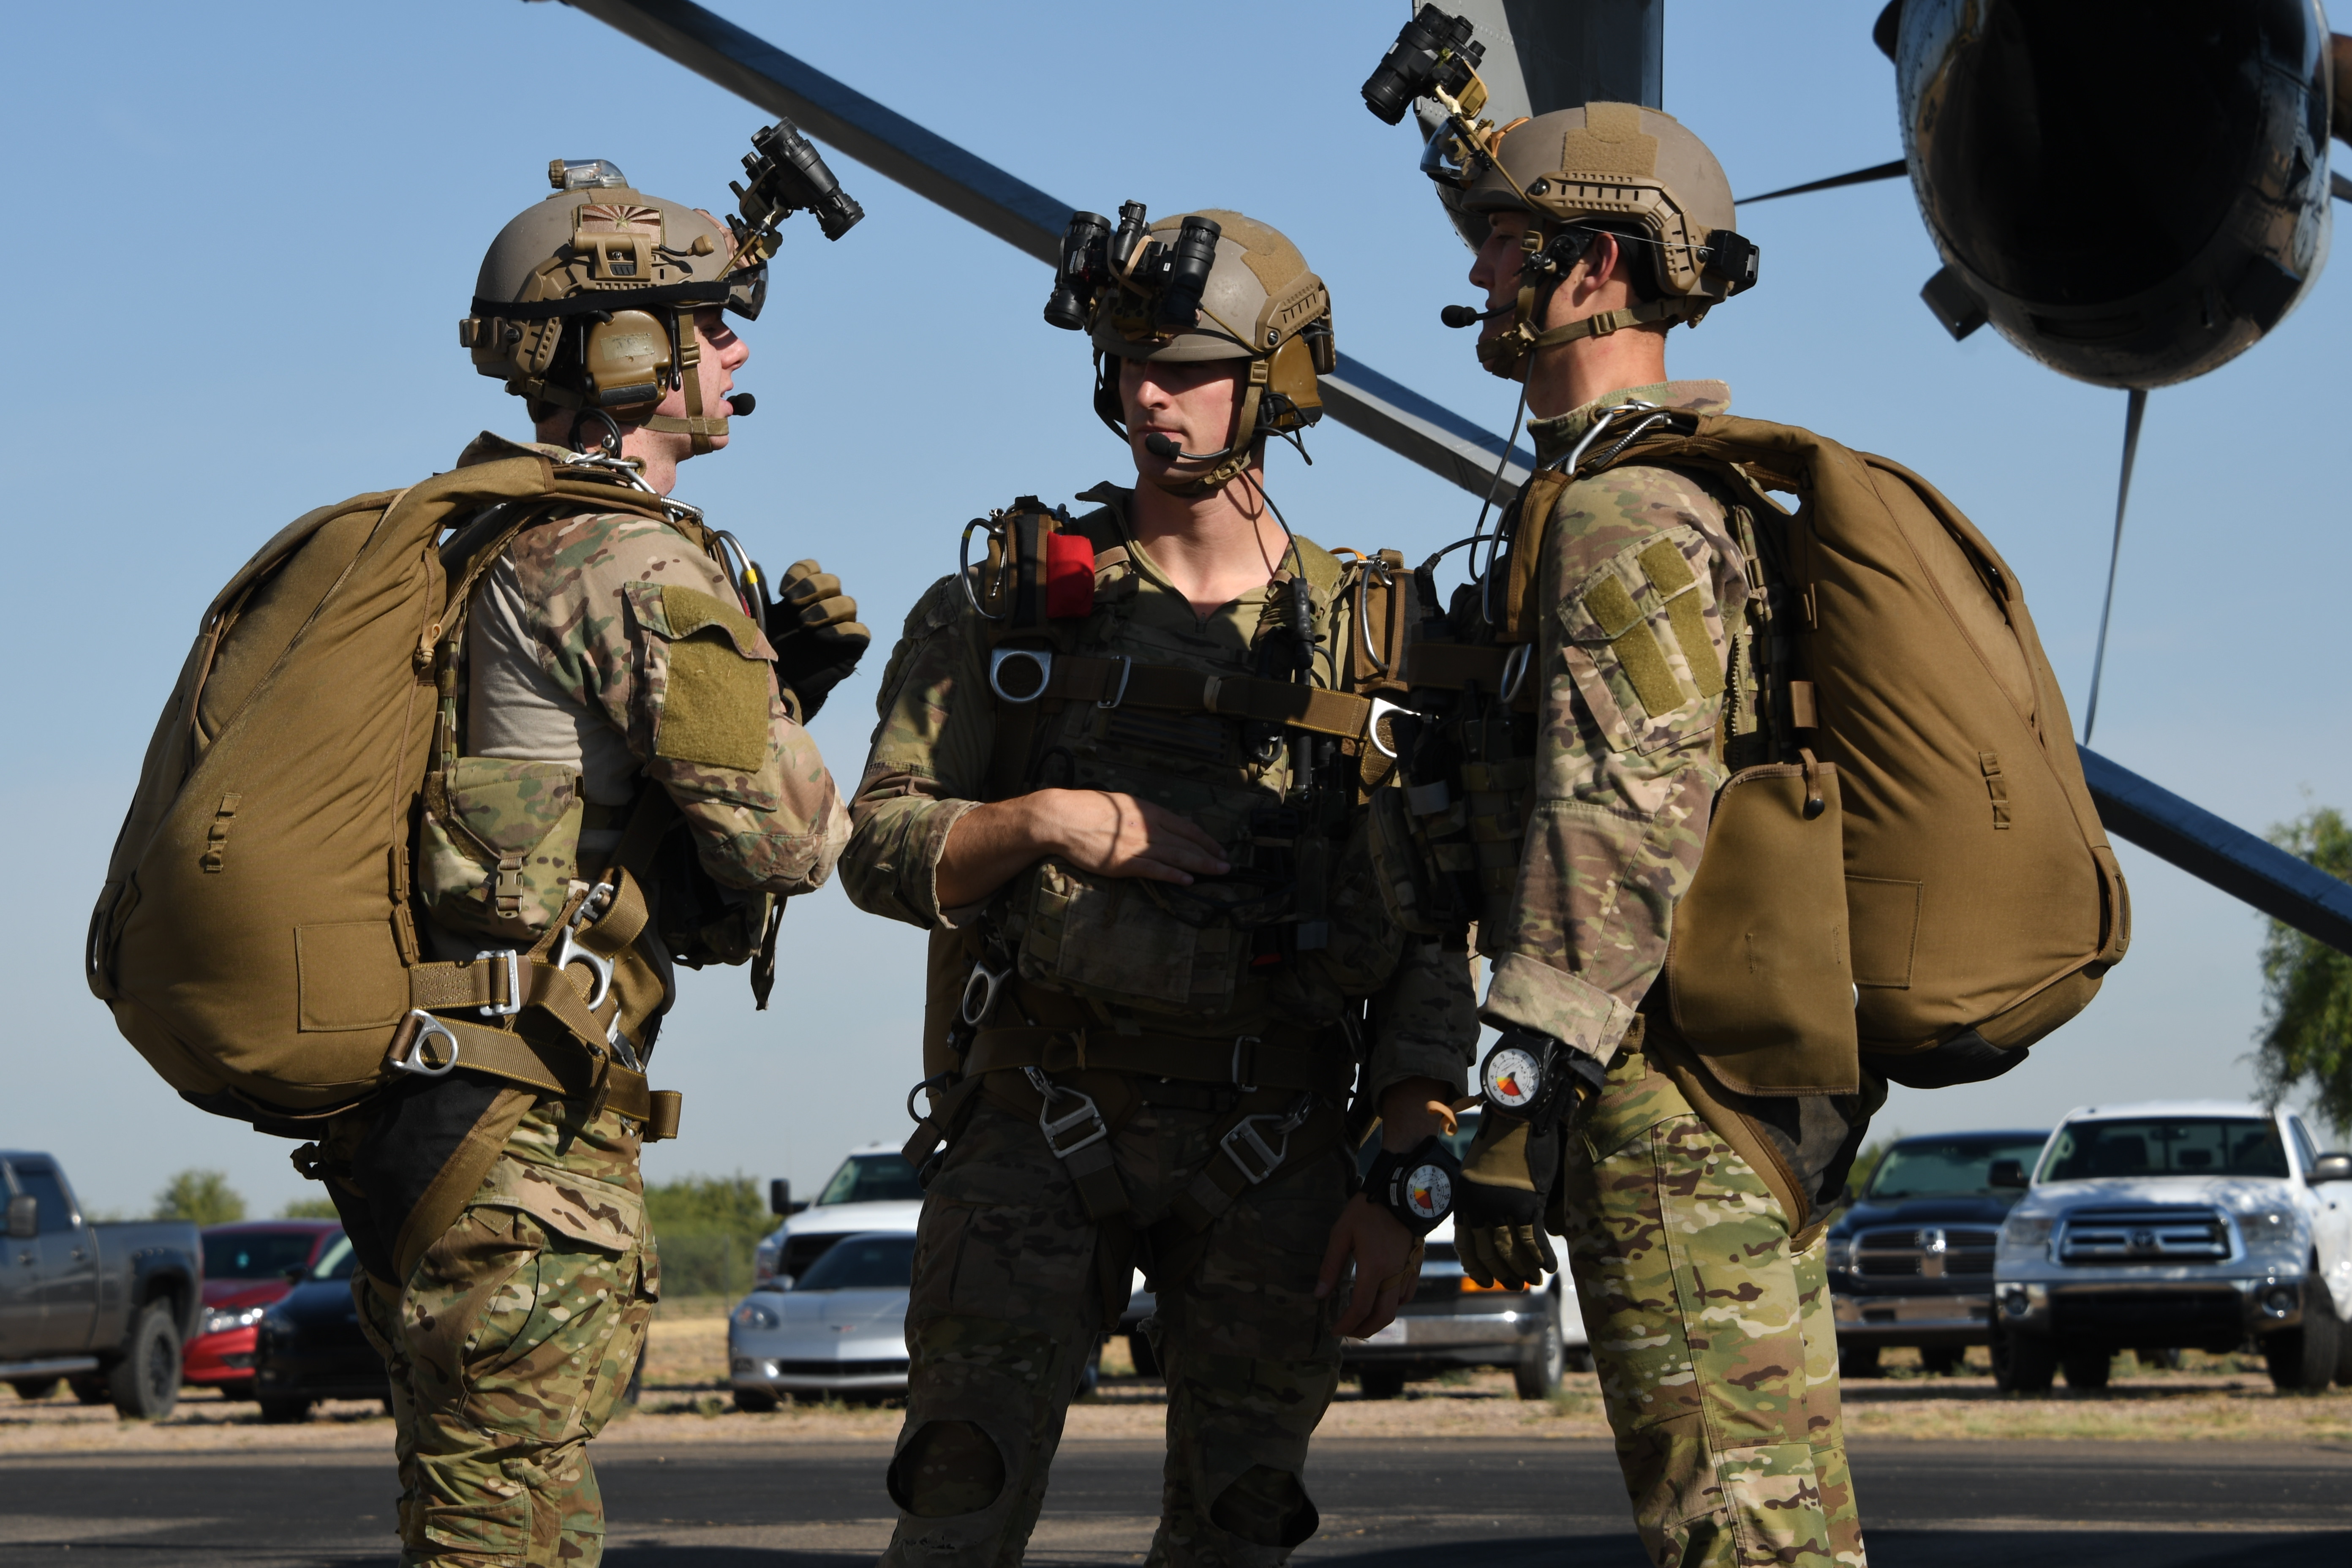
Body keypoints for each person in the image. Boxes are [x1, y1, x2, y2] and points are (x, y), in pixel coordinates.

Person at [843, 207, 1475, 1568]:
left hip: (1278, 1145)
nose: (1145, 395)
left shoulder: (1377, 637)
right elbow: (876, 850)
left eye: (1183, 367)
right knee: (954, 1515)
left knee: (1238, 1535)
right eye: (1128, 363)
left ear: (1277, 384)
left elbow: (1431, 936)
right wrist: (1045, 820)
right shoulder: (1003, 610)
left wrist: (1404, 1170)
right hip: (1035, 1126)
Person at [301, 150, 865, 1566]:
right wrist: (771, 698)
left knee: (477, 1502)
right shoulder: (624, 563)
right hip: (518, 1133)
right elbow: (795, 839)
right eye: (708, 320)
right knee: (508, 1529)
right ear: (630, 351)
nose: (734, 347)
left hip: (442, 1108)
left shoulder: (493, 535)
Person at [1429, 106, 1876, 1568]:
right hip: (1695, 1086)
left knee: (1737, 1542)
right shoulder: (1627, 489)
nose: (1484, 268)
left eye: (1505, 240)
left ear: (1593, 265)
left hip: (1668, 1109)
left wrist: (1516, 1091)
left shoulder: (1625, 511)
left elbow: (1620, 821)